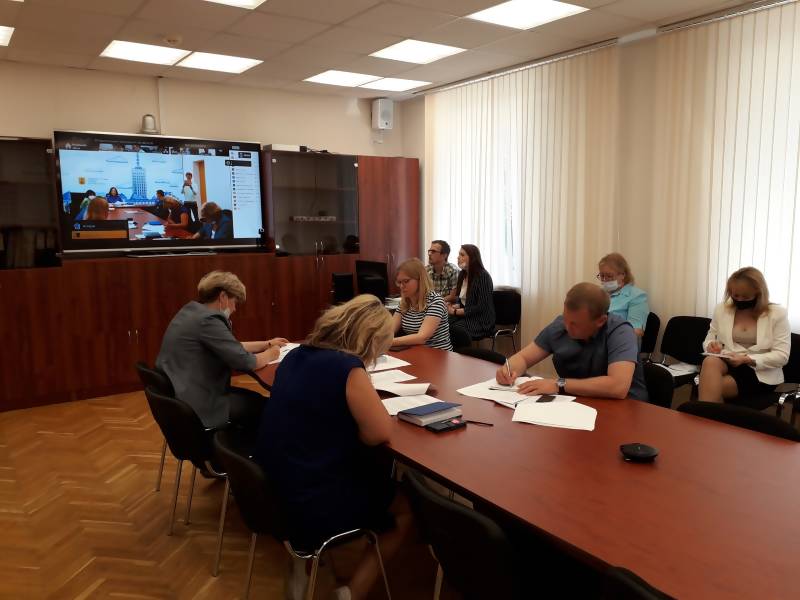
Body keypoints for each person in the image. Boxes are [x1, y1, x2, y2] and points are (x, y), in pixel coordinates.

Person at [254, 295, 412, 600]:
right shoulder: (347, 367)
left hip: (271, 487)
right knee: (405, 507)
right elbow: (379, 433)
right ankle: (350, 593)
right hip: (311, 501)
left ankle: (302, 562)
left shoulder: (295, 355)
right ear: (370, 339)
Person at [156, 271, 288, 430]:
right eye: (234, 302)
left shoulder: (193, 311)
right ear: (223, 297)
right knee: (265, 407)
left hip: (181, 393)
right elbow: (246, 362)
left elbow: (230, 346)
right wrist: (272, 353)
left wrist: (267, 344)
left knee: (255, 400)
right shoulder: (208, 320)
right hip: (198, 403)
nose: (235, 308)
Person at [496, 282, 648, 401]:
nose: (567, 327)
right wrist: (509, 370)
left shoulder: (620, 332)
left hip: (625, 408)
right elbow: (523, 358)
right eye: (566, 318)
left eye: (575, 324)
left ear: (601, 321)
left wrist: (558, 384)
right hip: (579, 403)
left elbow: (618, 387)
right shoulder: (560, 325)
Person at [697, 267, 790, 406]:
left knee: (709, 389)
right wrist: (711, 346)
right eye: (735, 296)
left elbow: (782, 356)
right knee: (710, 361)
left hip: (759, 371)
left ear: (758, 293)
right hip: (728, 361)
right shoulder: (722, 309)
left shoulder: (777, 314)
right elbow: (710, 338)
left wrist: (746, 359)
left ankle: (705, 418)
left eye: (745, 297)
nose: (740, 300)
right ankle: (710, 418)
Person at [392, 258, 452, 350]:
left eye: (406, 281)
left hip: (438, 353)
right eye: (399, 282)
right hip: (416, 352)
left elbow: (422, 337)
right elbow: (389, 330)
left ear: (420, 280)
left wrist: (388, 342)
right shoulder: (404, 303)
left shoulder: (436, 301)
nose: (401, 286)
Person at [447, 244, 495, 339]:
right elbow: (463, 301)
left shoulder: (483, 277)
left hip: (480, 320)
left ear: (472, 258)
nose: (458, 257)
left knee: (453, 330)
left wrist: (455, 311)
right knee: (440, 324)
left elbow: (481, 307)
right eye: (459, 254)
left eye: (462, 255)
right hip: (466, 316)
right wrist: (452, 306)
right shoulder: (462, 274)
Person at [597, 252, 649, 337]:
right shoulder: (598, 293)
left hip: (619, 340)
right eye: (602, 276)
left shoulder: (637, 296)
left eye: (609, 276)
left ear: (622, 275)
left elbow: (637, 332)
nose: (605, 280)